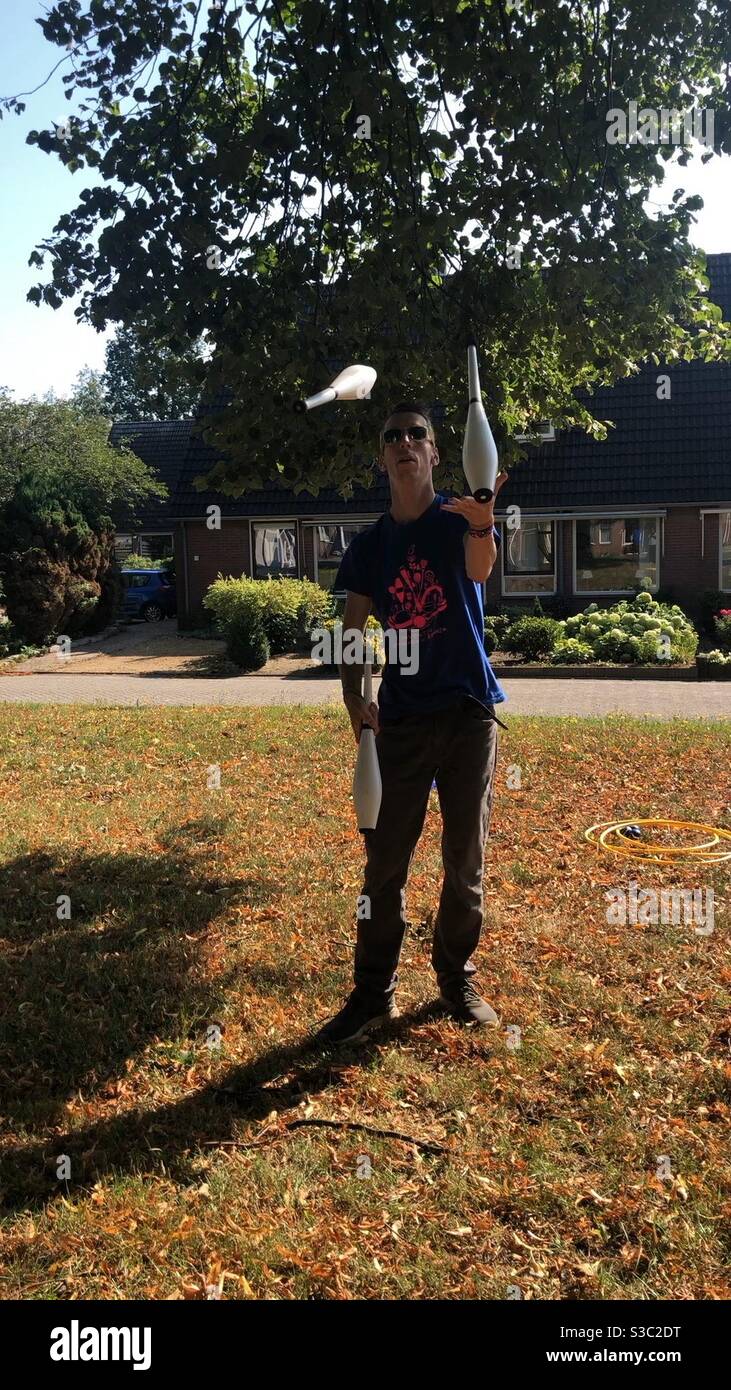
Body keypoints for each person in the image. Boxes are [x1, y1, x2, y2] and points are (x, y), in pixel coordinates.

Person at [316, 401, 508, 1045]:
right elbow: (351, 630)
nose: (404, 443)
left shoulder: (461, 519)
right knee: (384, 866)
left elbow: (480, 569)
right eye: (392, 436)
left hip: (466, 713)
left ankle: (456, 980)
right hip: (398, 722)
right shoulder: (371, 546)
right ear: (383, 457)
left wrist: (482, 526)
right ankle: (373, 994)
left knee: (464, 859)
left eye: (416, 434)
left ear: (433, 452)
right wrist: (356, 700)